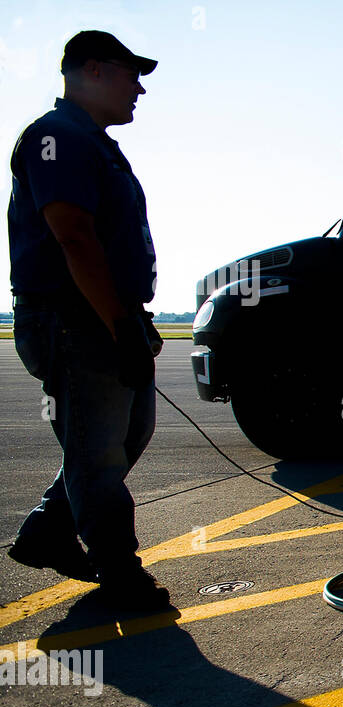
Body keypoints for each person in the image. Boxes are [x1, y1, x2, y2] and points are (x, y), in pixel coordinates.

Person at [7, 30, 169, 611]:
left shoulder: (91, 141)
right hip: (75, 319)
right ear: (93, 70)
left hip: (108, 314)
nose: (140, 89)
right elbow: (72, 234)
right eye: (132, 75)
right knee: (99, 451)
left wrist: (130, 320)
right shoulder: (57, 137)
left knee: (126, 436)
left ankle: (47, 532)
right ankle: (120, 570)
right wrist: (117, 325)